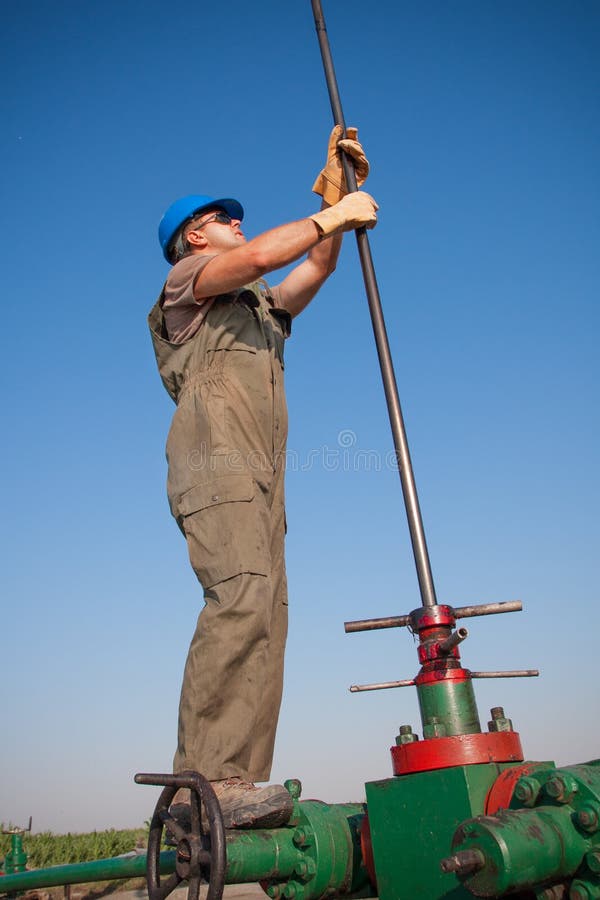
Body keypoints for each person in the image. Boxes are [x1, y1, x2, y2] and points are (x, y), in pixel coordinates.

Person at [148, 127, 377, 828]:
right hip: (215, 465)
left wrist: (335, 190)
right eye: (223, 217)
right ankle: (202, 786)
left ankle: (237, 784)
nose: (237, 221)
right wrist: (331, 216)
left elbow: (316, 267)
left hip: (262, 477)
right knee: (241, 600)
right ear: (194, 237)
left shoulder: (260, 310)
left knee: (268, 616)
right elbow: (256, 256)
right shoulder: (186, 286)